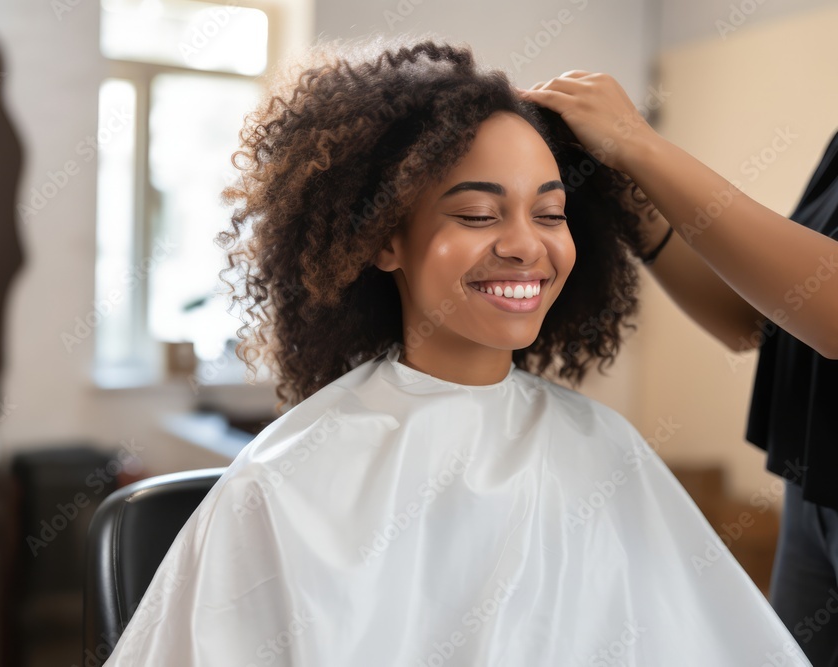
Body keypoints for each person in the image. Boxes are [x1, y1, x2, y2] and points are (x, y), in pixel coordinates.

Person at [101, 40, 811, 665]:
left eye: (551, 212)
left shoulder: (604, 451)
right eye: (477, 214)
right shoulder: (283, 482)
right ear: (383, 239)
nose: (526, 245)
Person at [518, 71, 838, 665]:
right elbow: (753, 319)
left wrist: (638, 142)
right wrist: (626, 188)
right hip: (813, 486)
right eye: (477, 213)